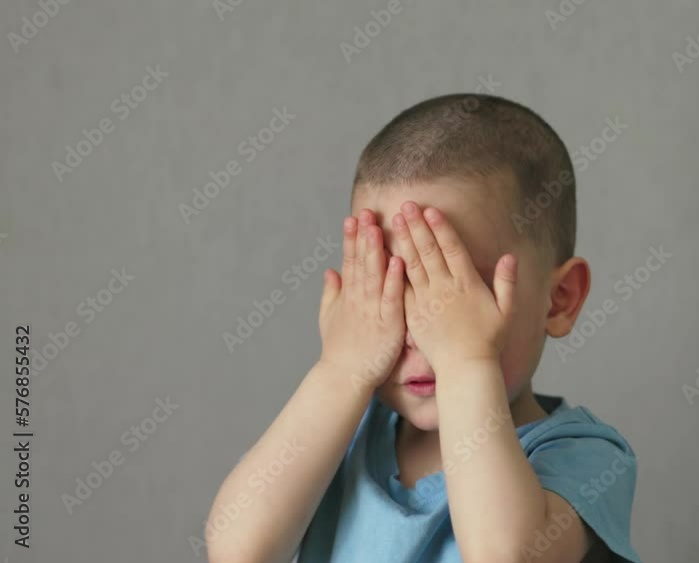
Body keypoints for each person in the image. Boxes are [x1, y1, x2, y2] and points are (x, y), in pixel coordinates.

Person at [206, 94, 641, 563]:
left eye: (456, 293)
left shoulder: (584, 457)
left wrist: (466, 361)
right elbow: (238, 548)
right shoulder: (346, 433)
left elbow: (505, 556)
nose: (421, 330)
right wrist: (340, 370)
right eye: (390, 286)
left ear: (560, 300)